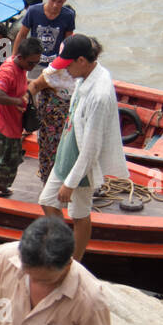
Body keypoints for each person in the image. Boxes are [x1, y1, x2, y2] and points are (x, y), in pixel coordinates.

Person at [30, 34, 129, 261]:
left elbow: (91, 149)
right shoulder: (84, 75)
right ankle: (64, 248)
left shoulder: (100, 94)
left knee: (80, 214)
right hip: (68, 147)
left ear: (82, 61)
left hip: (82, 161)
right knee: (47, 201)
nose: (66, 71)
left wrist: (70, 183)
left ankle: (74, 262)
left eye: (68, 65)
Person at [15, 0, 77, 182]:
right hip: (35, 63)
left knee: (48, 103)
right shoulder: (34, 11)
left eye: (60, 1)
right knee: (30, 96)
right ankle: (26, 127)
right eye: (53, 1)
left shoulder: (68, 15)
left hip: (56, 67)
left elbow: (68, 42)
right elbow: (22, 35)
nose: (56, 5)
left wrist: (68, 67)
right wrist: (15, 59)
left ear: (65, 0)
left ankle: (40, 128)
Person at [0, 36, 41, 197]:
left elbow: (23, 81)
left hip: (15, 127)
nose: (32, 66)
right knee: (3, 163)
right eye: (30, 63)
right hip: (3, 128)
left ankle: (3, 188)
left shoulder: (22, 69)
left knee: (13, 161)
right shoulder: (8, 71)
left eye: (36, 63)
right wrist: (17, 100)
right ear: (20, 57)